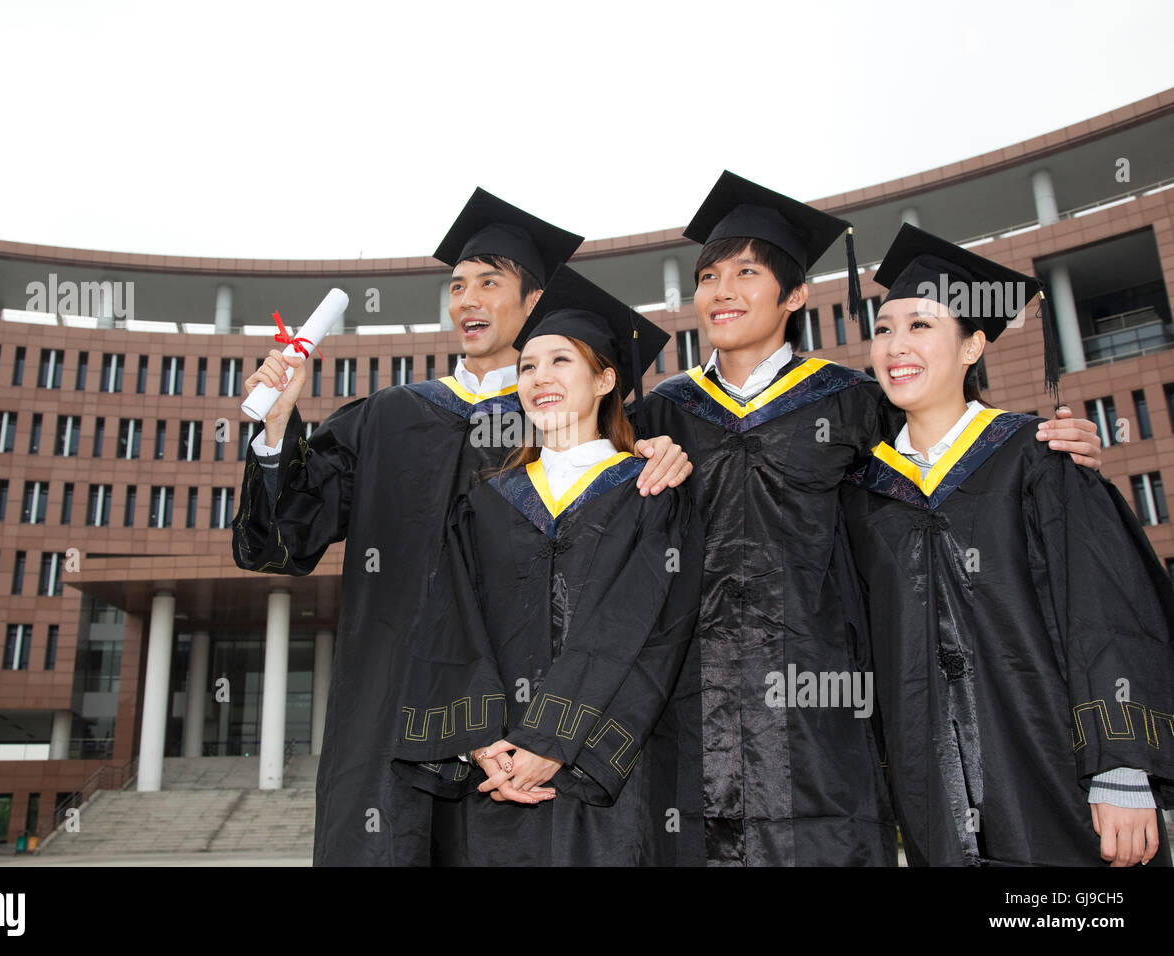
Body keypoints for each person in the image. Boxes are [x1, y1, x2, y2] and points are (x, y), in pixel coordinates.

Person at [638, 172, 1105, 865]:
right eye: (708, 276)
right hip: (689, 710)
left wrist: (1068, 445)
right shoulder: (660, 412)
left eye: (744, 272)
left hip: (828, 709)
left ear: (795, 295)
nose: (721, 291)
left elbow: (951, 473)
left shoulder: (858, 402)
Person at [232, 189, 691, 866]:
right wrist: (277, 429)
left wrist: (663, 452)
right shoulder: (388, 417)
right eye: (456, 286)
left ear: (534, 304)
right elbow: (281, 542)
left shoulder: (561, 419)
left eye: (489, 282)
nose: (467, 299)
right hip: (390, 704)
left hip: (519, 719)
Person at [840, 224, 1174, 867]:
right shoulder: (863, 493)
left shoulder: (1040, 457)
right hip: (933, 792)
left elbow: (1106, 614)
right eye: (883, 330)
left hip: (1059, 773)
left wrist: (1122, 772)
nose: (895, 346)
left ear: (973, 346)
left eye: (921, 326)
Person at [392, 266, 702, 865]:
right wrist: (483, 741)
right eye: (528, 366)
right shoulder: (485, 499)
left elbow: (648, 636)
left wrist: (552, 744)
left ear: (605, 378)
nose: (540, 378)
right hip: (496, 771)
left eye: (561, 361)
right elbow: (450, 625)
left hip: (602, 770)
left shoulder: (649, 491)